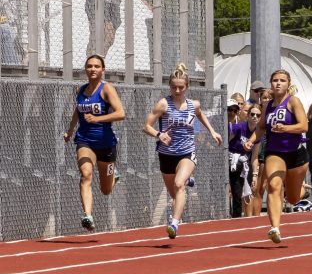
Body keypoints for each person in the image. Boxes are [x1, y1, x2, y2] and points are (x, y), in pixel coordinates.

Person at [143, 63, 223, 239]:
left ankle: (174, 223)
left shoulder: (193, 105)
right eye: (173, 87)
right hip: (166, 154)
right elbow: (146, 126)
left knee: (179, 185)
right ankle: (187, 181)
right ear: (169, 87)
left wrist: (212, 131)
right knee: (175, 194)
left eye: (181, 87)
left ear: (186, 87)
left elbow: (201, 115)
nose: (177, 90)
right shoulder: (163, 104)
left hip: (187, 152)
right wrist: (159, 134)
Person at [242, 70, 309, 243]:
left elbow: (304, 126)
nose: (278, 83)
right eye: (275, 80)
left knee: (293, 198)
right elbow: (262, 127)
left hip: (296, 152)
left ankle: (299, 191)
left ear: (288, 84)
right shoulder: (268, 105)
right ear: (271, 83)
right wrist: (251, 141)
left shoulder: (293, 101)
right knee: (273, 185)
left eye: (282, 81)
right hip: (275, 151)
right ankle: (275, 228)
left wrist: (285, 128)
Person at [63, 55, 125, 231]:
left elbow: (121, 113)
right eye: (89, 66)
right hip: (85, 141)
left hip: (106, 144)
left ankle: (114, 176)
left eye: (96, 66)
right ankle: (87, 215)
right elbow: (78, 111)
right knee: (85, 174)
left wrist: (98, 119)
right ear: (85, 69)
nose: (92, 69)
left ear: (102, 70)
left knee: (106, 190)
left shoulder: (107, 89)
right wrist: (70, 130)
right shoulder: (81, 91)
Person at [227, 99, 259, 217]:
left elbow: (254, 156)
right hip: (231, 160)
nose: (255, 117)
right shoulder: (239, 127)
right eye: (252, 114)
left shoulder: (258, 134)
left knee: (241, 192)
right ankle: (230, 215)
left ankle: (239, 217)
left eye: (258, 115)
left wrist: (255, 174)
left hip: (243, 163)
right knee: (232, 190)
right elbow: (226, 142)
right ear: (248, 115)